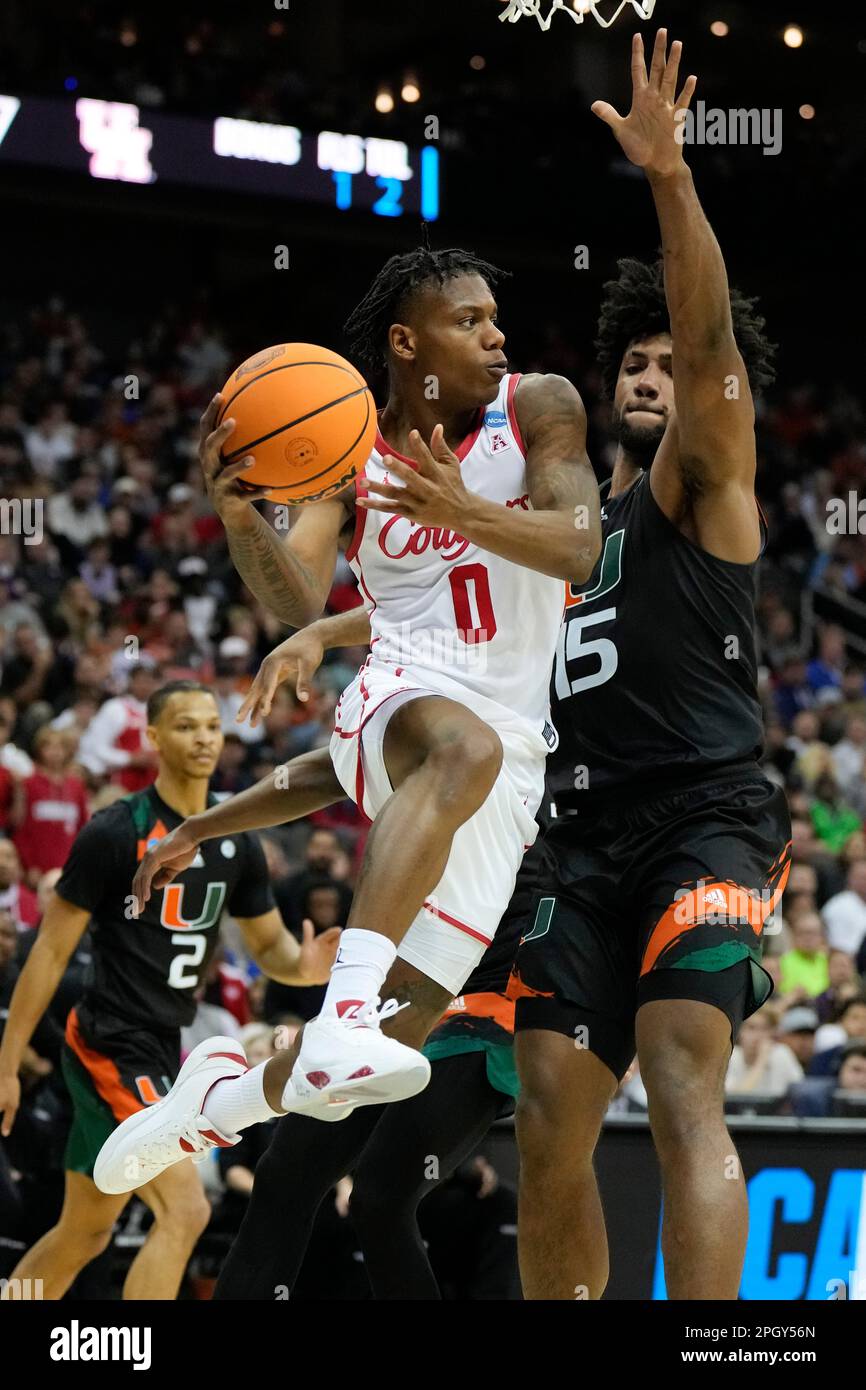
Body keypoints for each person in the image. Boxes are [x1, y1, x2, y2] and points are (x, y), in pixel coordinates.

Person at [94, 241, 600, 1195]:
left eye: (496, 318)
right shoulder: (350, 453)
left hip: (514, 754)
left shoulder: (540, 406)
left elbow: (578, 549)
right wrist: (243, 516)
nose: (496, 336)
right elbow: (295, 596)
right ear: (407, 343)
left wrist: (464, 507)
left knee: (375, 1059)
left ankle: (218, 1101)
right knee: (461, 747)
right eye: (468, 321)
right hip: (400, 695)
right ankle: (341, 1018)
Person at [509, 31, 791, 1301]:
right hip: (577, 840)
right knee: (546, 1121)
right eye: (634, 362)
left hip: (702, 818)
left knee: (682, 1077)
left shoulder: (704, 477)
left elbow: (702, 326)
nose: (654, 375)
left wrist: (669, 179)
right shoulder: (569, 531)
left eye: (675, 367)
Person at [0, 680, 338, 1300]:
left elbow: (269, 949)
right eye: (185, 726)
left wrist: (306, 966)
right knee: (186, 1209)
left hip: (161, 1046)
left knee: (85, 1231)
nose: (205, 737)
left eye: (212, 725)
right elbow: (48, 953)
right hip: (110, 1041)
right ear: (152, 737)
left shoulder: (237, 837)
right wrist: (6, 1066)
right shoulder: (114, 831)